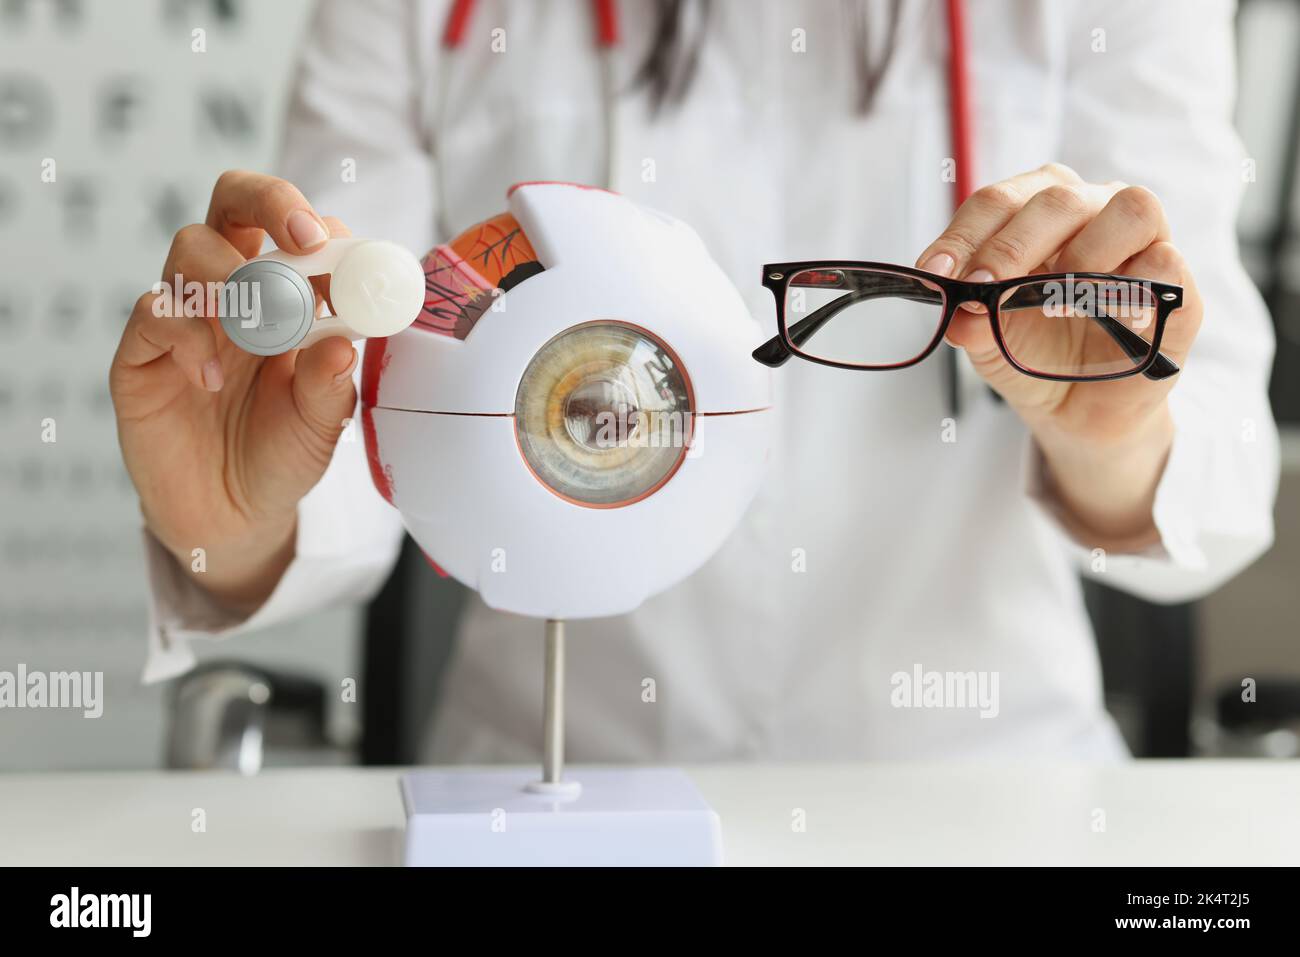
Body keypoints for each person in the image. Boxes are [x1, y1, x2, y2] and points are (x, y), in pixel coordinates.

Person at [111, 0, 1278, 762]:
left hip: (981, 787)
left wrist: (1108, 434)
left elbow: (1216, 484)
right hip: (553, 777)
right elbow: (343, 395)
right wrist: (242, 516)